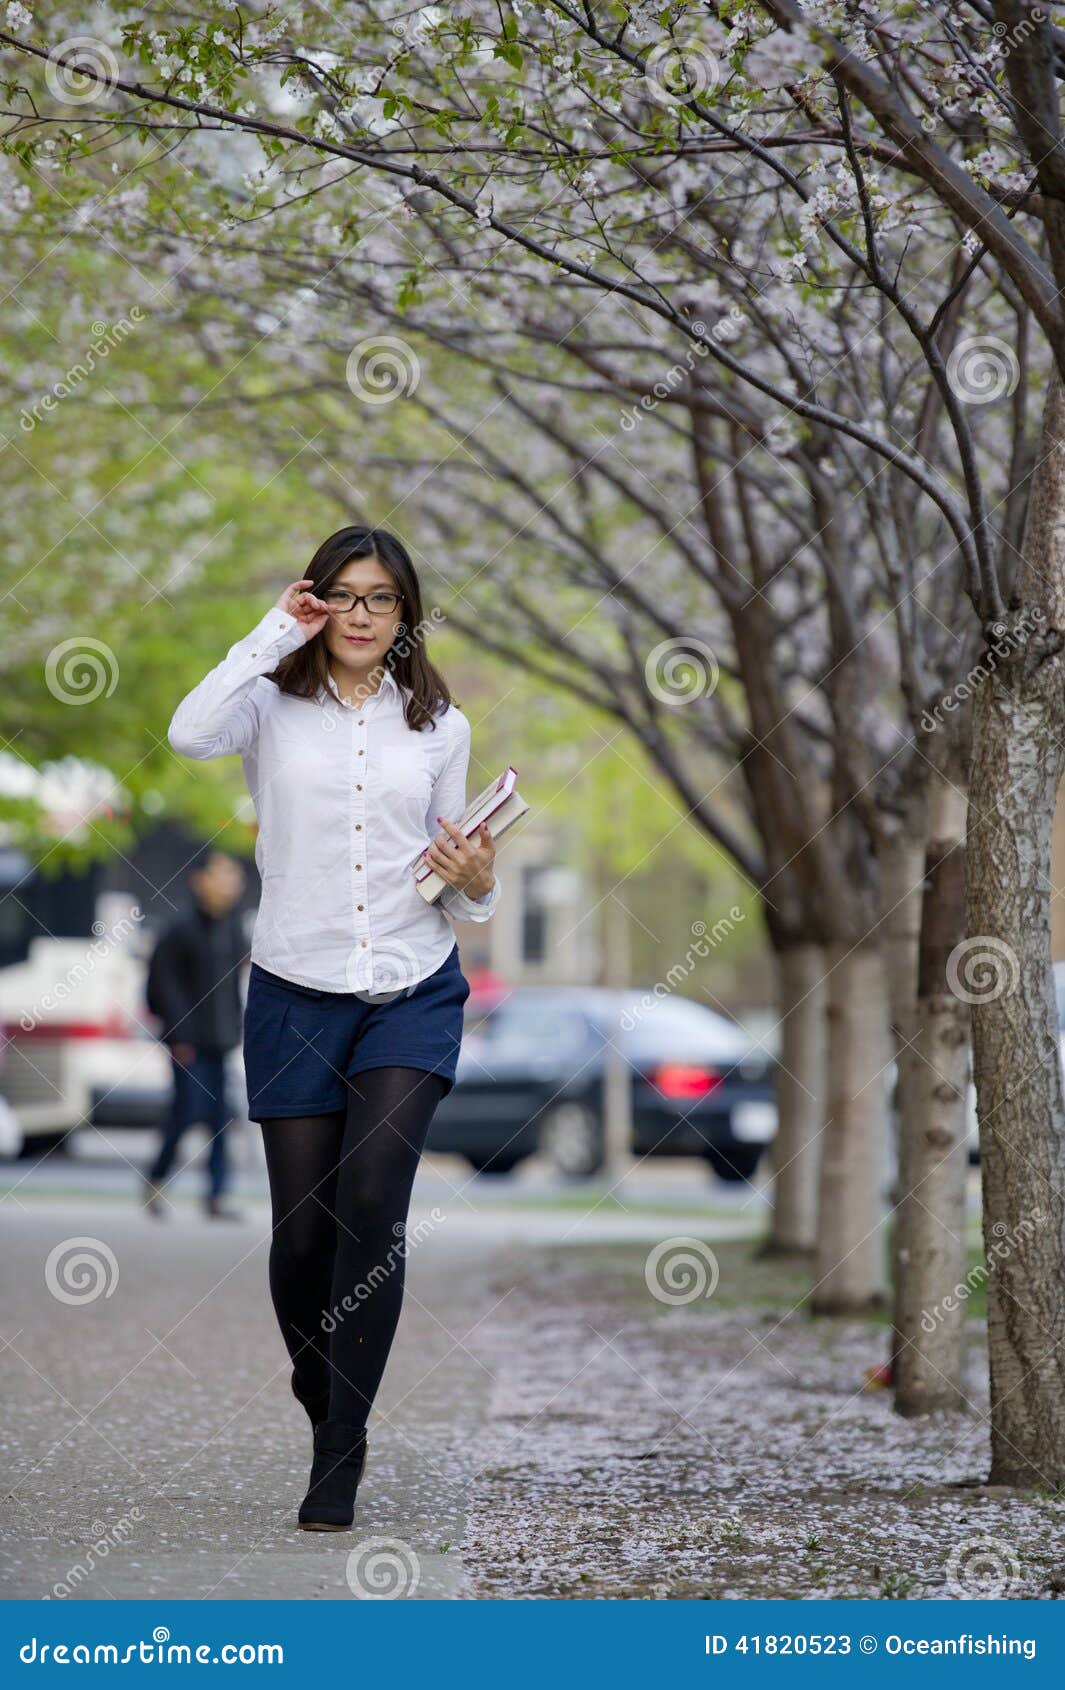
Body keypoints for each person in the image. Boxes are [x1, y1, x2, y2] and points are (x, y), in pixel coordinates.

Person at [166, 525, 499, 1532]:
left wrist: (478, 881)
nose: (360, 615)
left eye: (380, 598)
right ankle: (320, 1386)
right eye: (343, 595)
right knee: (303, 1234)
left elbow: (453, 877)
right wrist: (276, 629)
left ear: (405, 614)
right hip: (294, 989)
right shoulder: (267, 703)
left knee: (372, 1203)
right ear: (317, 600)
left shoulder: (439, 726)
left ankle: (341, 1446)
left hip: (411, 986)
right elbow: (187, 733)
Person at [143, 849, 249, 1223]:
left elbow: (234, 989)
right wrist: (178, 1036)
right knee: (186, 1112)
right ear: (199, 880)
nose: (230, 883)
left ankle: (217, 1194)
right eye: (222, 875)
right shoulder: (179, 929)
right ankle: (157, 1179)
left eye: (233, 876)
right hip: (187, 1044)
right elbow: (161, 988)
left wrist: (237, 1032)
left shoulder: (233, 929)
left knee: (220, 1117)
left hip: (221, 1042)